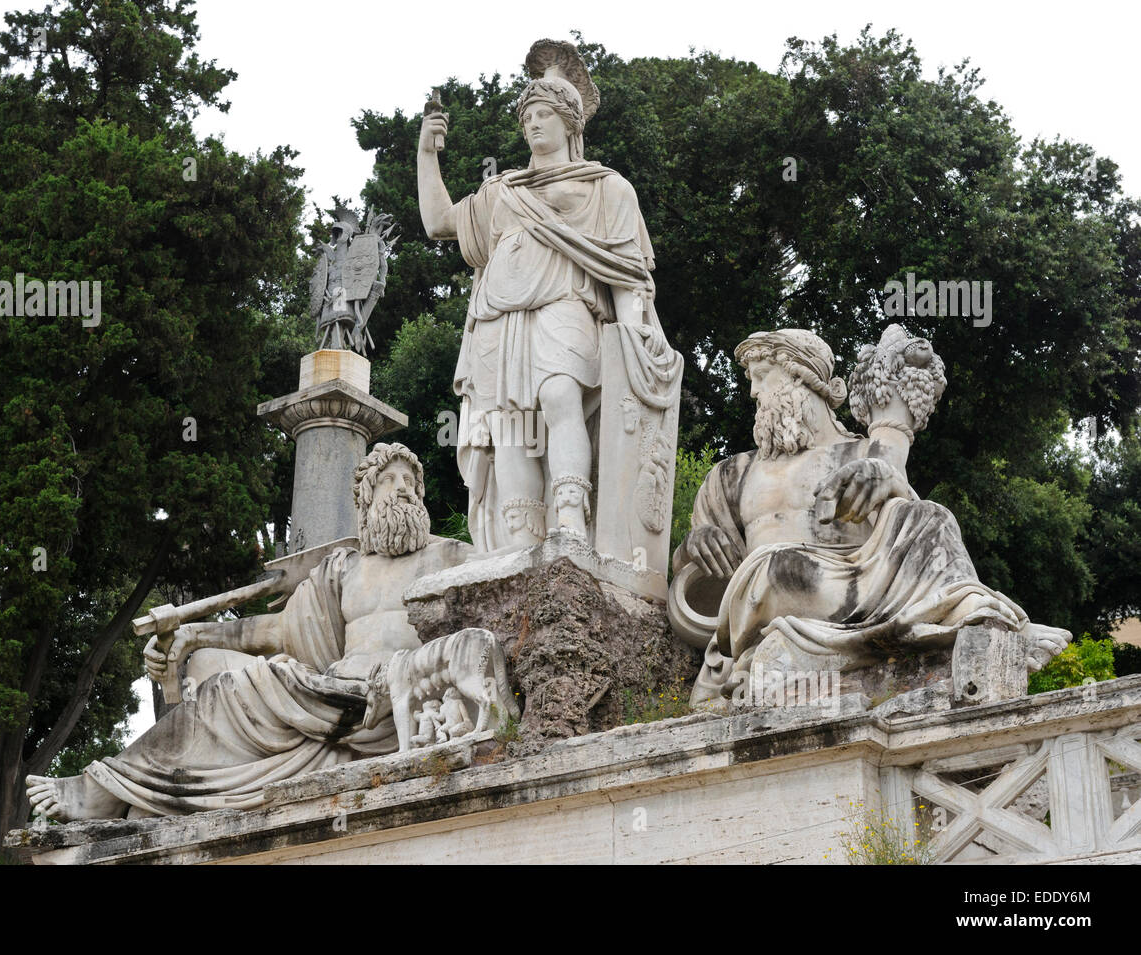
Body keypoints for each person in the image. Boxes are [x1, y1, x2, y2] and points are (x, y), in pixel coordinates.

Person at [26, 443, 471, 820]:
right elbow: (282, 631)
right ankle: (132, 789)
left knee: (243, 687)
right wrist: (196, 634)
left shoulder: (449, 556)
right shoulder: (343, 569)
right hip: (332, 691)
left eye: (410, 481)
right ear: (367, 499)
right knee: (220, 686)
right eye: (389, 480)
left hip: (389, 697)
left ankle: (105, 791)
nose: (404, 489)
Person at [673, 329, 1068, 705]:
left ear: (803, 380)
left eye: (762, 378)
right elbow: (690, 575)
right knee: (775, 566)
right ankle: (924, 623)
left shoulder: (862, 454)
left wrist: (889, 481)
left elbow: (904, 533)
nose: (754, 392)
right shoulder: (731, 473)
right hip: (777, 587)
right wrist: (694, 545)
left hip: (863, 581)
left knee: (930, 515)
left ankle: (976, 613)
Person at [417, 39, 679, 551]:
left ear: (570, 123)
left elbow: (626, 273)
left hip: (566, 302)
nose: (533, 124)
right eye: (527, 116)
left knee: (560, 397)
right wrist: (426, 153)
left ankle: (570, 521)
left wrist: (634, 340)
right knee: (512, 425)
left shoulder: (608, 188)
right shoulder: (503, 191)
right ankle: (520, 540)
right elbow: (437, 222)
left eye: (543, 114)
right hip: (500, 317)